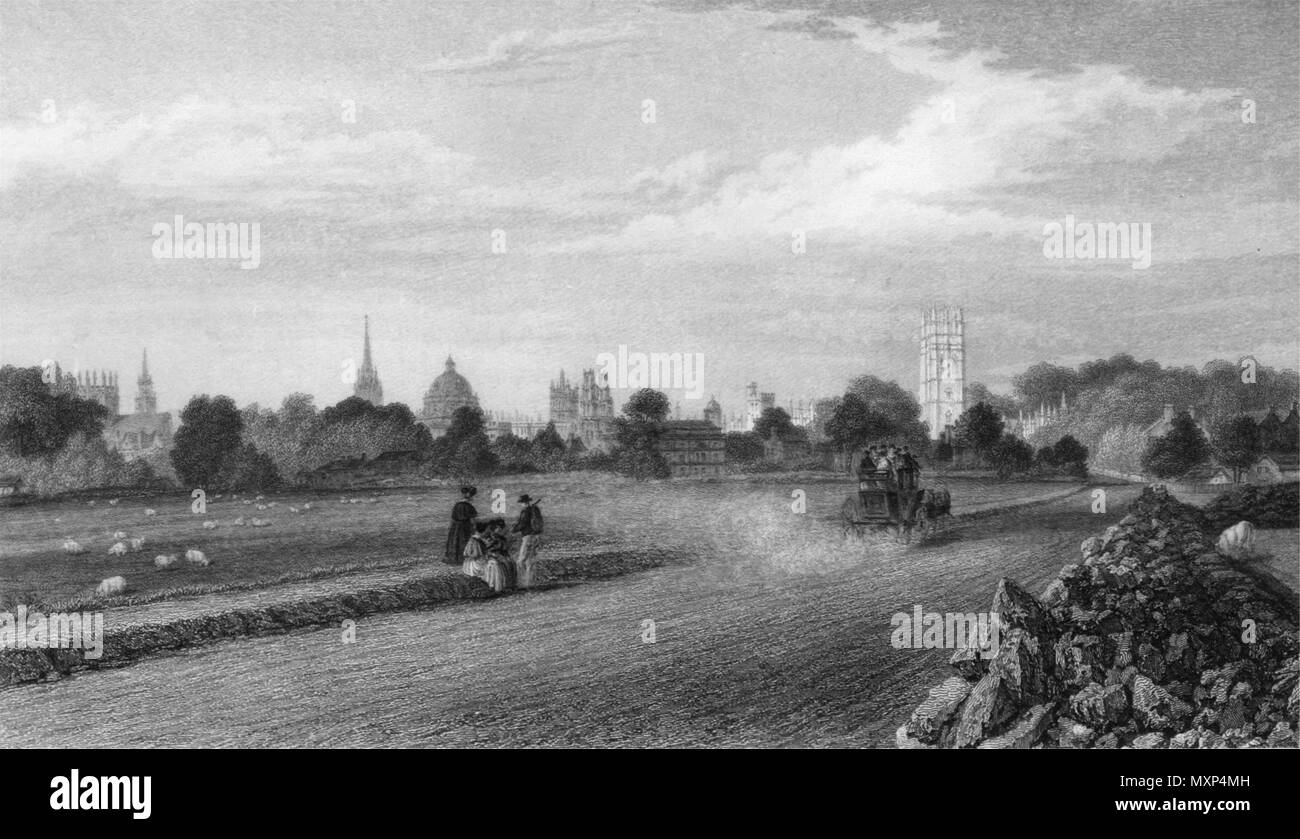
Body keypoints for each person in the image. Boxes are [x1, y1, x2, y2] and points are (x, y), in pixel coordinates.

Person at [511, 493, 543, 589]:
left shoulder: (525, 512)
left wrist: (513, 529)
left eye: (521, 503)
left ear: (523, 502)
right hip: (535, 536)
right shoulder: (535, 509)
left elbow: (522, 524)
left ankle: (521, 582)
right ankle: (530, 582)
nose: (521, 504)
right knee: (530, 561)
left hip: (528, 537)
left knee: (520, 561)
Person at [444, 485, 478, 565]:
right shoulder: (469, 506)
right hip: (465, 527)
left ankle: (454, 558)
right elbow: (472, 520)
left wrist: (451, 527)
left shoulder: (457, 505)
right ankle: (463, 559)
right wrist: (474, 528)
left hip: (455, 527)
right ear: (470, 496)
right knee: (464, 541)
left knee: (455, 541)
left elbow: (453, 518)